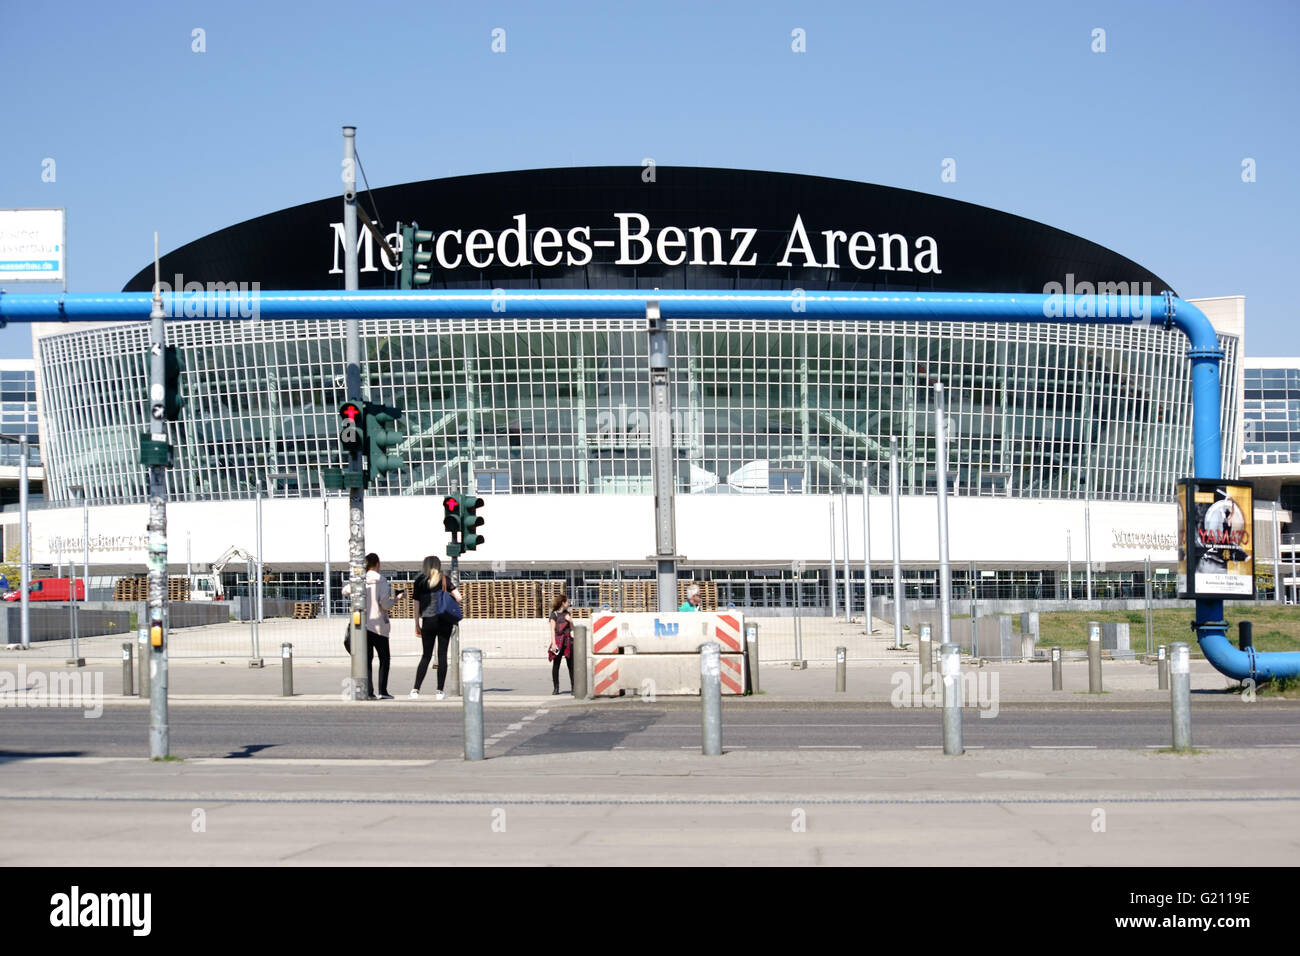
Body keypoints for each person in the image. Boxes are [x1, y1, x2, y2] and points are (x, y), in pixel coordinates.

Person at [410, 555, 462, 700]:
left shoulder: (419, 581)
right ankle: (439, 691)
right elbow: (459, 597)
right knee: (442, 655)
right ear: (438, 566)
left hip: (428, 621)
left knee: (426, 656)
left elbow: (416, 604)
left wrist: (416, 624)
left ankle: (415, 690)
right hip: (444, 621)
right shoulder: (444, 579)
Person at [363, 553, 395, 699]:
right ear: (377, 564)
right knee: (384, 658)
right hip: (379, 626)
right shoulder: (381, 580)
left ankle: (369, 691)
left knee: (367, 659)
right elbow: (385, 604)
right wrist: (395, 599)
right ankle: (383, 690)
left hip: (363, 626)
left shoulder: (360, 579)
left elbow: (345, 590)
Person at [548, 593, 574, 695]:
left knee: (571, 665)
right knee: (556, 665)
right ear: (563, 603)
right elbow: (552, 630)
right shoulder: (554, 614)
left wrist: (570, 621)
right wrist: (554, 644)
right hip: (558, 641)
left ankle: (574, 687)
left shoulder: (567, 614)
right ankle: (556, 688)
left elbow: (572, 629)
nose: (569, 603)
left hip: (568, 641)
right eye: (567, 602)